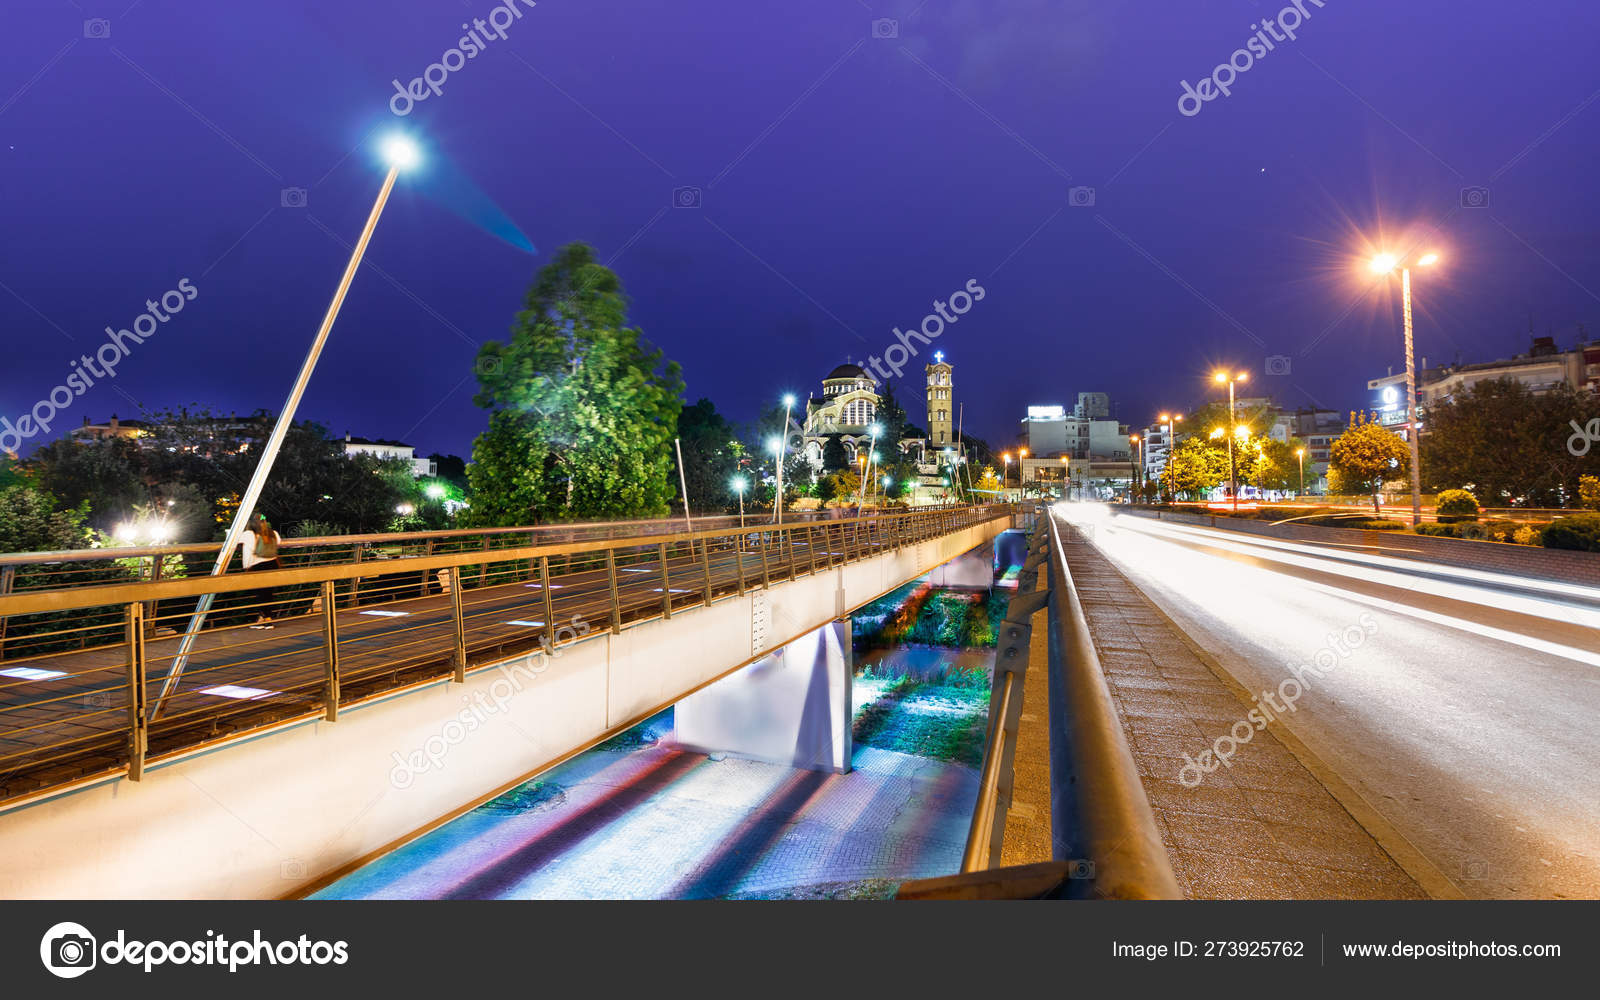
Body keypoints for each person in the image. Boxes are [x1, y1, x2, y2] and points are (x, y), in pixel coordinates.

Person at [240, 514, 282, 628]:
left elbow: (234, 539)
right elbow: (278, 543)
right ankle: (262, 620)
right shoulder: (273, 533)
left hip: (258, 565)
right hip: (272, 564)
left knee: (260, 594)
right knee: (267, 593)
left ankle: (267, 620)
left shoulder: (249, 534)